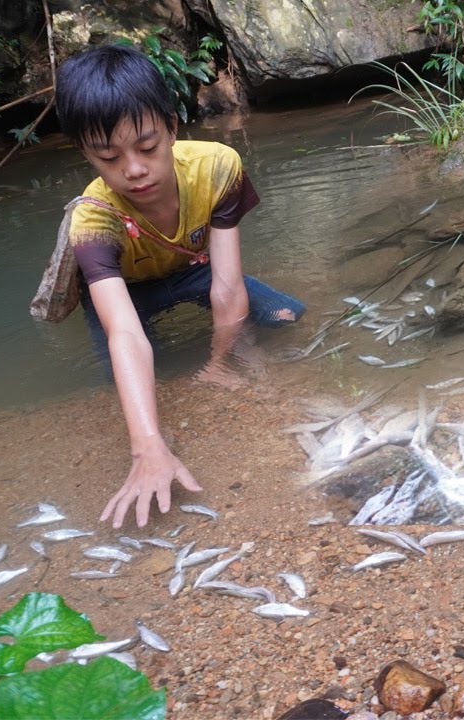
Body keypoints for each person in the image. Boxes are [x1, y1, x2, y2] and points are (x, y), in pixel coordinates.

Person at [55, 44, 305, 529]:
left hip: (193, 271)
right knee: (129, 375)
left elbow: (227, 285)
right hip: (128, 291)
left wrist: (219, 360)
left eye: (147, 147)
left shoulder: (218, 168)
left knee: (285, 315)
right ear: (86, 153)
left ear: (172, 126)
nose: (133, 169)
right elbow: (123, 331)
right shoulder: (91, 222)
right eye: (108, 157)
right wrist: (147, 445)